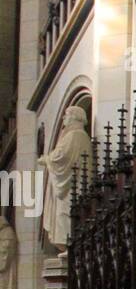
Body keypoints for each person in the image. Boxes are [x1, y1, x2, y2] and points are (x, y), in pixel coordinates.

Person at [40, 105, 93, 248]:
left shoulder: (75, 135)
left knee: (66, 213)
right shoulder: (73, 135)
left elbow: (63, 157)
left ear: (76, 117)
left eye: (67, 115)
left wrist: (47, 159)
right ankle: (68, 244)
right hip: (70, 184)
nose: (64, 118)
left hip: (70, 185)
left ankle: (69, 243)